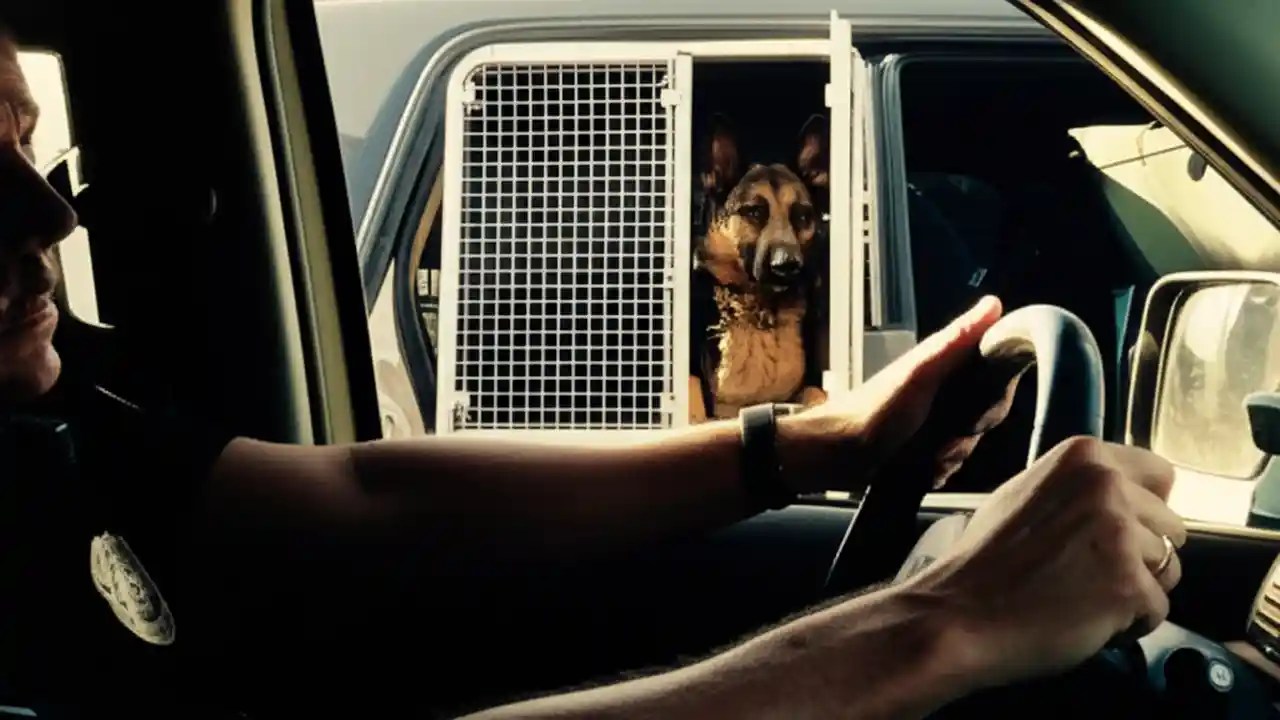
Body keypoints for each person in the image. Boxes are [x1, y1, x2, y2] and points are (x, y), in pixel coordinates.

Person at [0, 25, 1185, 719]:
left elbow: (367, 497)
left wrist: (806, 444)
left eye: (22, 144)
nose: (49, 216)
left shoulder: (60, 399)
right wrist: (936, 625)